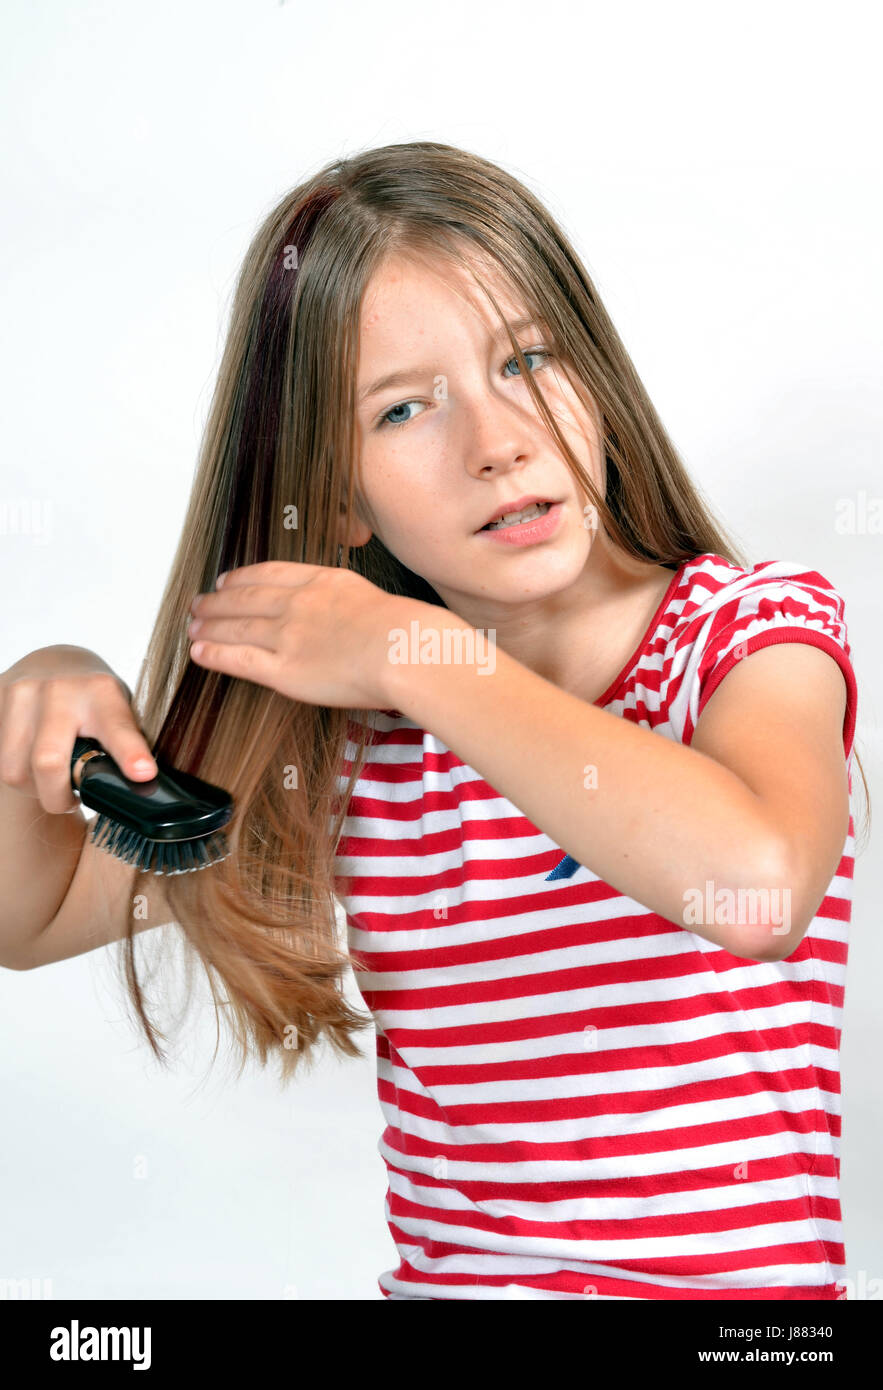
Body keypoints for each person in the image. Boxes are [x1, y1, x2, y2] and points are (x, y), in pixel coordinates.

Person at [0, 141, 866, 1300]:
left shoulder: (747, 638)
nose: (496, 440)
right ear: (337, 493)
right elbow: (37, 915)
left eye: (528, 360)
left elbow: (758, 891)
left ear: (595, 374)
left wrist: (419, 655)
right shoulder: (356, 745)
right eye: (405, 407)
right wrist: (32, 726)